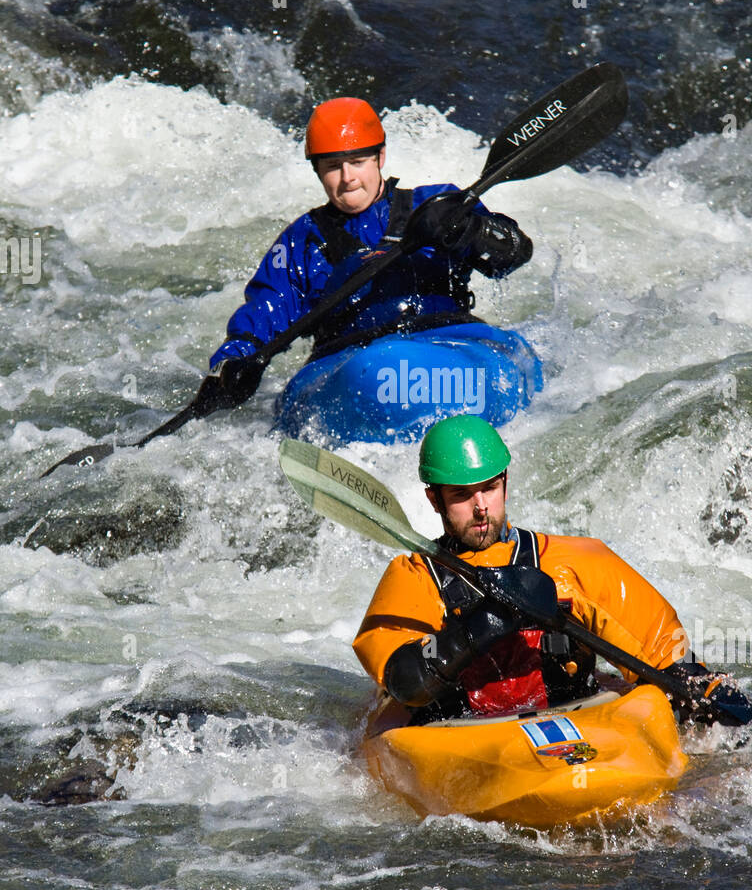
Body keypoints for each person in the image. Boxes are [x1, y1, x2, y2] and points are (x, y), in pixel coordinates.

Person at [353, 414, 715, 723]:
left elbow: (664, 651)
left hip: (577, 724)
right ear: (435, 500)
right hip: (466, 740)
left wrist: (704, 692)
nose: (481, 507)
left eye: (490, 489)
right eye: (463, 495)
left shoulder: (572, 561)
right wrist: (484, 623)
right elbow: (405, 680)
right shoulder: (414, 577)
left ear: (505, 484)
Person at [209, 97, 533, 395]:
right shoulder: (302, 240)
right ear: (317, 171)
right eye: (333, 166)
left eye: (358, 161)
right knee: (381, 367)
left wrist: (470, 229)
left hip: (447, 346)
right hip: (347, 366)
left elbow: (514, 254)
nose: (347, 177)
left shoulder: (439, 204)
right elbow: (265, 312)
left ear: (380, 157)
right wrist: (231, 364)